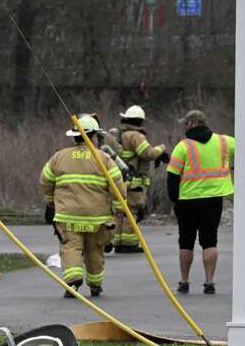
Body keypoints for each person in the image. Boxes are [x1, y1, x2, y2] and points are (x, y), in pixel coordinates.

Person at [41, 114, 125, 298]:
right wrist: (119, 207)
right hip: (97, 218)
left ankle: (73, 281)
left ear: (75, 136)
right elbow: (118, 185)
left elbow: (45, 180)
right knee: (95, 250)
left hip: (68, 217)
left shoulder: (59, 157)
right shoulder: (103, 158)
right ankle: (95, 285)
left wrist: (50, 201)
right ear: (93, 136)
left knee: (71, 247)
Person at [165, 109, 233, 295]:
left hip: (187, 201)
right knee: (210, 240)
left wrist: (174, 199)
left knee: (186, 241)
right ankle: (209, 282)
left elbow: (172, 176)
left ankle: (184, 281)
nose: (185, 126)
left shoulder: (183, 146)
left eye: (186, 123)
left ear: (192, 124)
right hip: (213, 200)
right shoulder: (224, 141)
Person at [113, 105, 169, 252]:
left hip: (123, 179)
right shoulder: (136, 136)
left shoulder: (122, 135)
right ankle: (129, 244)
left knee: (121, 212)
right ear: (140, 121)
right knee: (131, 212)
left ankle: (118, 242)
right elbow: (148, 153)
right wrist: (162, 149)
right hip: (135, 182)